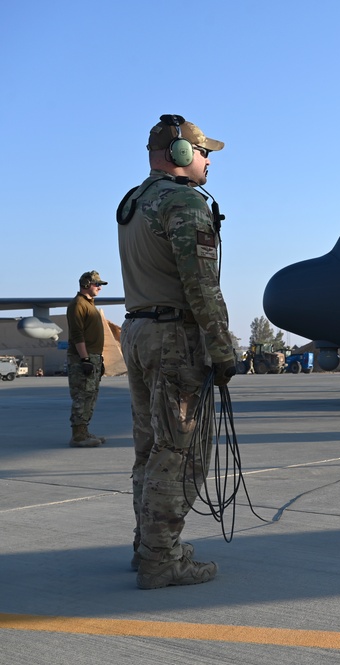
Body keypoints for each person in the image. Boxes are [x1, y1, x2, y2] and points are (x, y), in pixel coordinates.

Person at [117, 114, 237, 590]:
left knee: (150, 447)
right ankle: (162, 558)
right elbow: (201, 285)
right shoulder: (183, 202)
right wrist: (222, 349)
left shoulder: (134, 201)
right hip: (173, 338)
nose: (209, 161)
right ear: (182, 154)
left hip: (139, 331)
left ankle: (147, 546)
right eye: (205, 152)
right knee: (180, 450)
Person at [66, 270, 108, 447]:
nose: (99, 287)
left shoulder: (89, 305)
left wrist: (98, 360)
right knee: (82, 395)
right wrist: (85, 360)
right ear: (86, 285)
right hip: (83, 357)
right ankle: (78, 435)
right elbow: (77, 334)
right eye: (96, 284)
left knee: (90, 394)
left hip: (93, 357)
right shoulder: (78, 304)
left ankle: (84, 430)